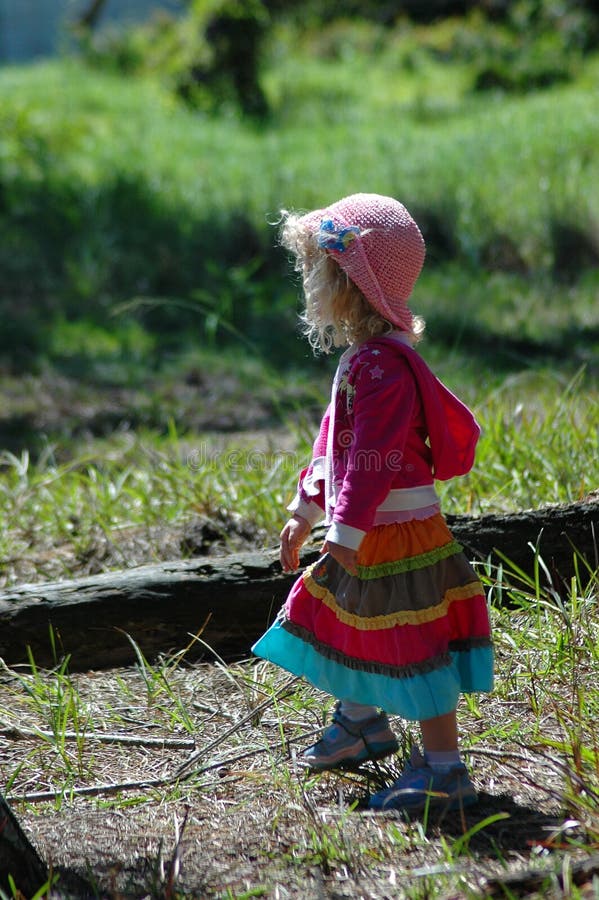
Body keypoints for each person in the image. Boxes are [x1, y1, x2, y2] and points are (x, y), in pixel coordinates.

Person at [252, 193, 493, 812]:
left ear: (355, 286)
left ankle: (444, 768)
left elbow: (370, 462)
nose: (311, 283)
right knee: (348, 621)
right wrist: (306, 510)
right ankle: (362, 721)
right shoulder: (364, 361)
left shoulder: (383, 368)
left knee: (416, 640)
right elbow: (332, 447)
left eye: (321, 272)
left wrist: (345, 530)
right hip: (367, 528)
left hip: (395, 530)